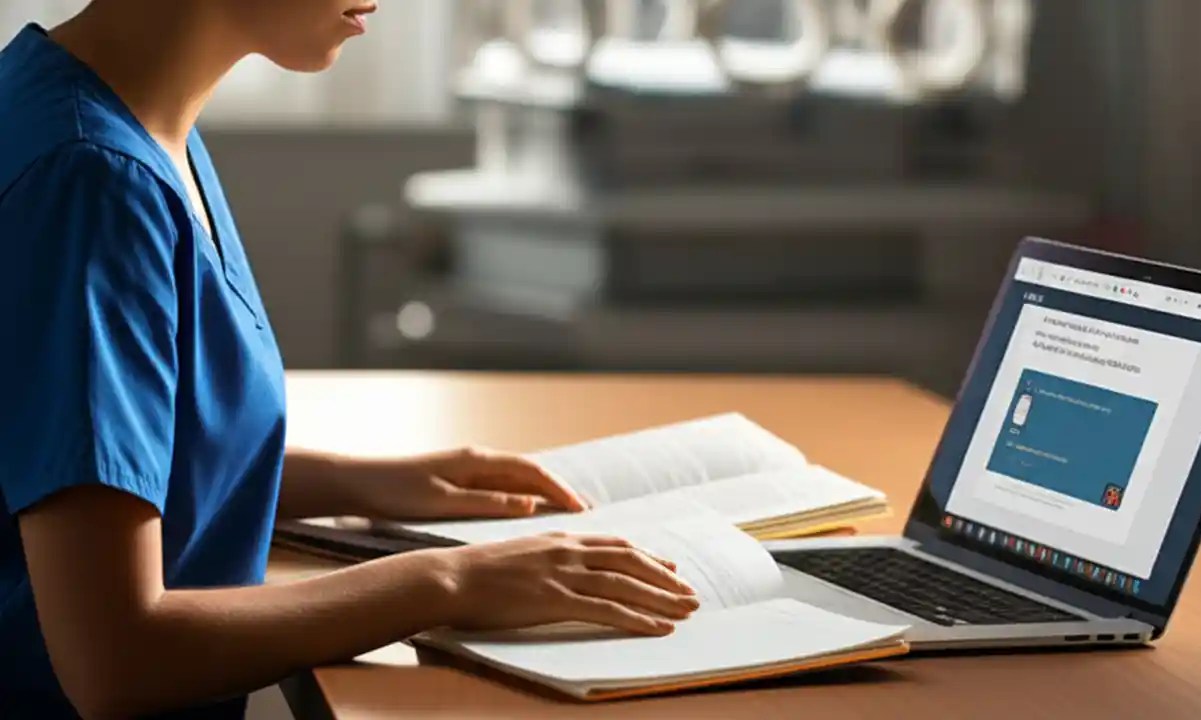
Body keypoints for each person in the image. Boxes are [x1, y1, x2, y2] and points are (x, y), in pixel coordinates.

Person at [0, 2, 700, 717]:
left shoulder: (106, 109)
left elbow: (113, 464)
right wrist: (446, 583)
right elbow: (115, 656)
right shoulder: (93, 181)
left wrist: (365, 484)